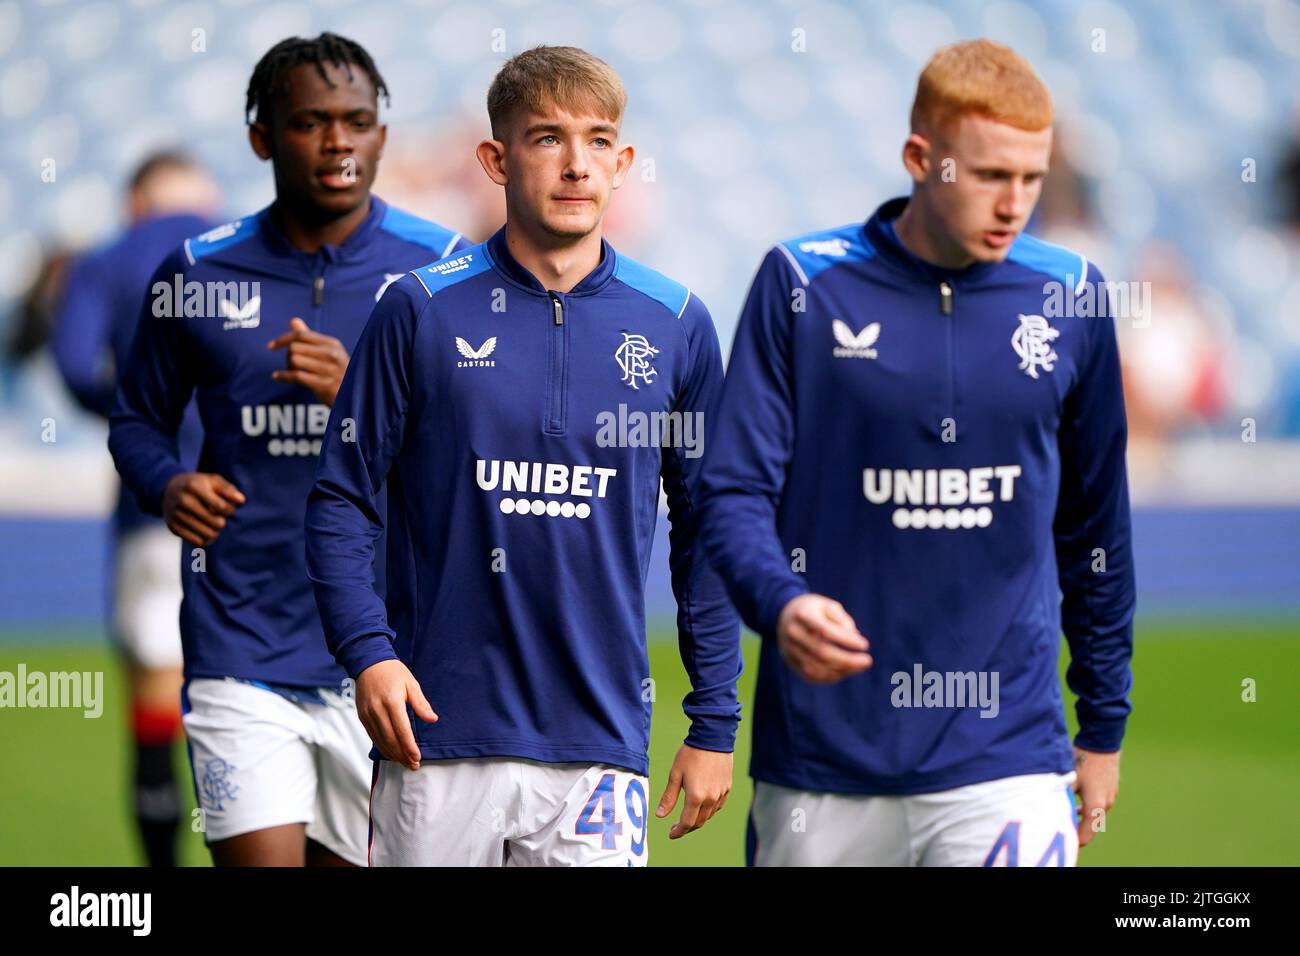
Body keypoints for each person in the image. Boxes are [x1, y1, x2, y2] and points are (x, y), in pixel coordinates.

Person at [699, 39, 1135, 867]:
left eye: (1031, 180)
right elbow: (732, 492)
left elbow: (1097, 530)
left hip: (1005, 758)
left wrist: (1103, 725)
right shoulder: (802, 286)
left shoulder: (1072, 296)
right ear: (919, 159)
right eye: (989, 176)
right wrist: (781, 603)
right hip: (821, 761)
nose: (1015, 204)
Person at [306, 45, 741, 867]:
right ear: (495, 160)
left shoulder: (678, 325)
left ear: (625, 161)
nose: (577, 165)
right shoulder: (419, 310)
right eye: (547, 139)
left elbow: (709, 531)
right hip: (436, 733)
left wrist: (713, 720)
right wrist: (368, 652)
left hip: (598, 745)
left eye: (599, 140)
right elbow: (342, 498)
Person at [109, 32, 469, 866]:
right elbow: (134, 422)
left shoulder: (445, 274)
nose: (338, 141)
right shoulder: (195, 271)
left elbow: (474, 453)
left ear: (382, 133)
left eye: (357, 120)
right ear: (263, 138)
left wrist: (360, 396)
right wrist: (167, 486)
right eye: (311, 122)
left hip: (386, 654)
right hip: (241, 644)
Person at [52, 151, 219, 866]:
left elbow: (72, 365)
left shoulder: (108, 261)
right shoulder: (247, 250)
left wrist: (133, 416)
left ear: (134, 201)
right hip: (255, 508)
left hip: (154, 508)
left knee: (154, 690)